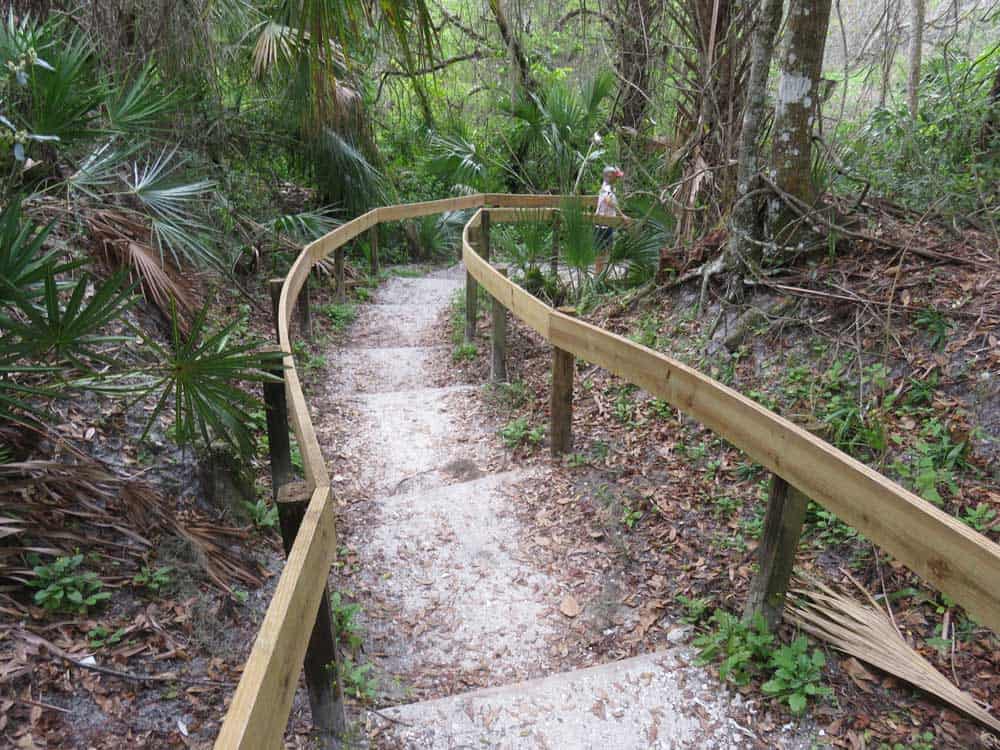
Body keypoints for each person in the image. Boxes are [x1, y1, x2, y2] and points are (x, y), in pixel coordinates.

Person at [595, 165, 626, 274]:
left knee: (606, 252)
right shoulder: (606, 189)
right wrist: (622, 215)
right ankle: (598, 276)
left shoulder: (610, 188)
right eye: (615, 177)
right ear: (609, 176)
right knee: (601, 253)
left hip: (607, 224)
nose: (617, 179)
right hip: (602, 225)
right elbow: (608, 201)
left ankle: (600, 276)